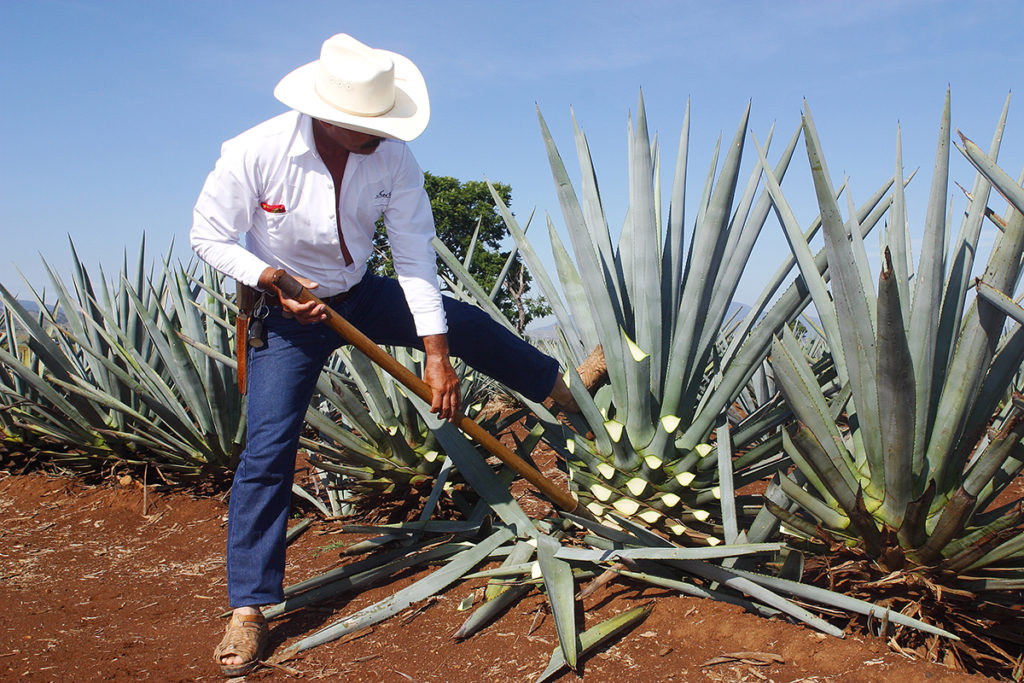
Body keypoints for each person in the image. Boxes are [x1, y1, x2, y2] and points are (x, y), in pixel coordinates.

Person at [190, 33, 577, 676]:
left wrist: (436, 354)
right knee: (268, 448)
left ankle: (563, 393)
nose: (382, 133)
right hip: (286, 316)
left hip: (359, 295)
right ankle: (250, 609)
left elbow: (416, 258)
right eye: (370, 124)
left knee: (466, 322)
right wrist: (272, 283)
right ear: (330, 114)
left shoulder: (392, 159)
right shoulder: (255, 152)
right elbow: (208, 235)